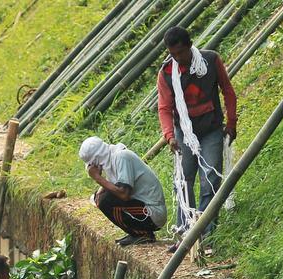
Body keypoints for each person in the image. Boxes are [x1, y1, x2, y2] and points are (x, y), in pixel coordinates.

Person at [156, 26, 237, 250]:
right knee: (183, 182)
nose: (178, 58)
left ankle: (205, 235)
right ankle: (186, 234)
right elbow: (164, 108)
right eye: (173, 54)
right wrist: (169, 136)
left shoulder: (210, 61)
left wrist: (231, 123)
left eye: (181, 52)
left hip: (211, 129)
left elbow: (227, 91)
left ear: (190, 46)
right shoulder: (166, 73)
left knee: (210, 179)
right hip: (183, 132)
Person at [79, 136, 167, 246]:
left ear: (97, 159)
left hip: (153, 212)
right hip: (143, 208)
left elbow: (124, 194)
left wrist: (98, 178)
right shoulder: (111, 159)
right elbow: (109, 187)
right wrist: (99, 193)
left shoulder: (122, 157)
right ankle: (136, 233)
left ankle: (142, 235)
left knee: (105, 201)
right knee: (101, 198)